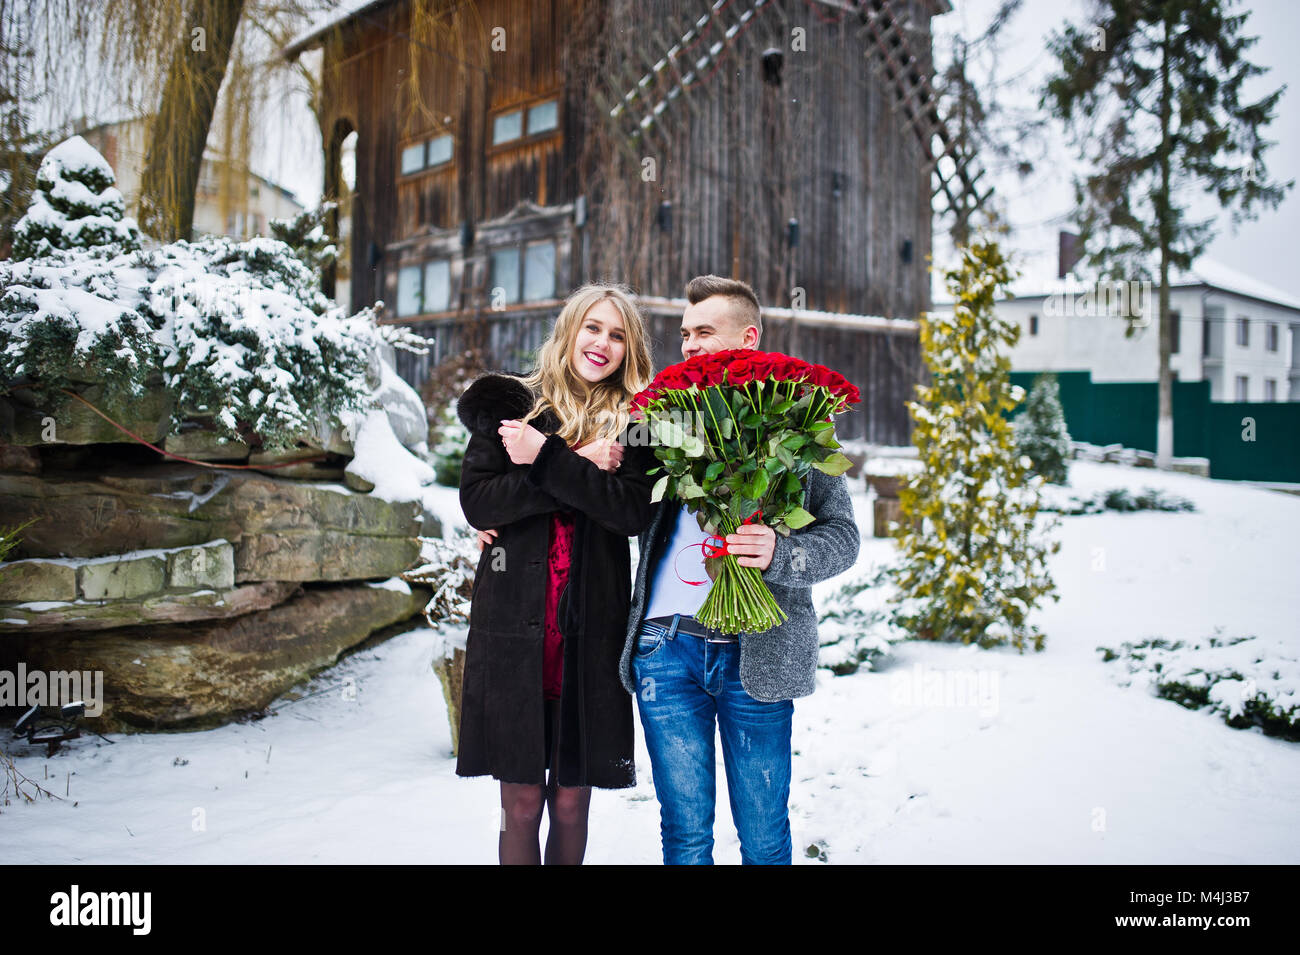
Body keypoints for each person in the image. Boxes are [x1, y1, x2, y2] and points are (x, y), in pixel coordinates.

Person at [619, 275, 860, 865]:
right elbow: (610, 503)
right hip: (665, 646)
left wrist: (780, 552)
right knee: (684, 835)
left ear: (748, 337)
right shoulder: (660, 419)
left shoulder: (802, 426)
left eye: (705, 332)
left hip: (760, 652)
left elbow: (844, 537)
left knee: (764, 836)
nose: (690, 346)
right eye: (684, 334)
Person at [455, 283, 656, 865]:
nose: (602, 343)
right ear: (570, 330)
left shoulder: (635, 423)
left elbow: (629, 513)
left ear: (630, 348)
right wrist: (578, 464)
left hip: (589, 631)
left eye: (618, 334)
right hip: (515, 628)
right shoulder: (513, 405)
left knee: (571, 803)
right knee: (519, 801)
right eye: (592, 328)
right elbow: (480, 503)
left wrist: (546, 458)